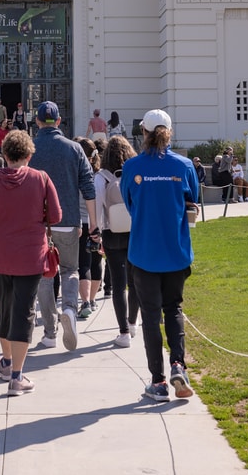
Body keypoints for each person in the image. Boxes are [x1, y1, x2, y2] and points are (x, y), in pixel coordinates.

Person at [0, 130, 61, 396]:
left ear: (5, 154)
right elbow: (55, 214)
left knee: (4, 308)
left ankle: (7, 361)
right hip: (30, 255)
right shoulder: (41, 179)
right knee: (24, 312)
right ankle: (17, 375)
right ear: (29, 155)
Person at [120, 109, 200, 402]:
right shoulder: (184, 165)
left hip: (144, 252)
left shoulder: (132, 167)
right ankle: (178, 364)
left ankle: (159, 381)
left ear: (144, 133)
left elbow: (129, 203)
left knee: (151, 317)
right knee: (174, 309)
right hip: (176, 252)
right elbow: (194, 201)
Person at [28, 101, 99, 351]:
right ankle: (69, 307)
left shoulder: (30, 148)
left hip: (37, 224)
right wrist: (93, 225)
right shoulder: (74, 148)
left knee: (44, 276)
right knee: (70, 269)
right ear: (58, 122)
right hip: (69, 220)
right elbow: (88, 188)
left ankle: (49, 332)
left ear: (37, 122)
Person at [95, 135, 139, 348]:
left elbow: (98, 208)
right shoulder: (134, 173)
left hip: (112, 232)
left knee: (118, 285)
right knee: (135, 281)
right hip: (134, 231)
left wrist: (97, 231)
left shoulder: (100, 177)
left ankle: (123, 332)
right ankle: (132, 323)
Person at [75, 137, 103, 319]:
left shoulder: (75, 175)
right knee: (96, 262)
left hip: (79, 223)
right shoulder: (100, 177)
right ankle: (92, 300)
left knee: (83, 264)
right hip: (98, 223)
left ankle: (85, 301)